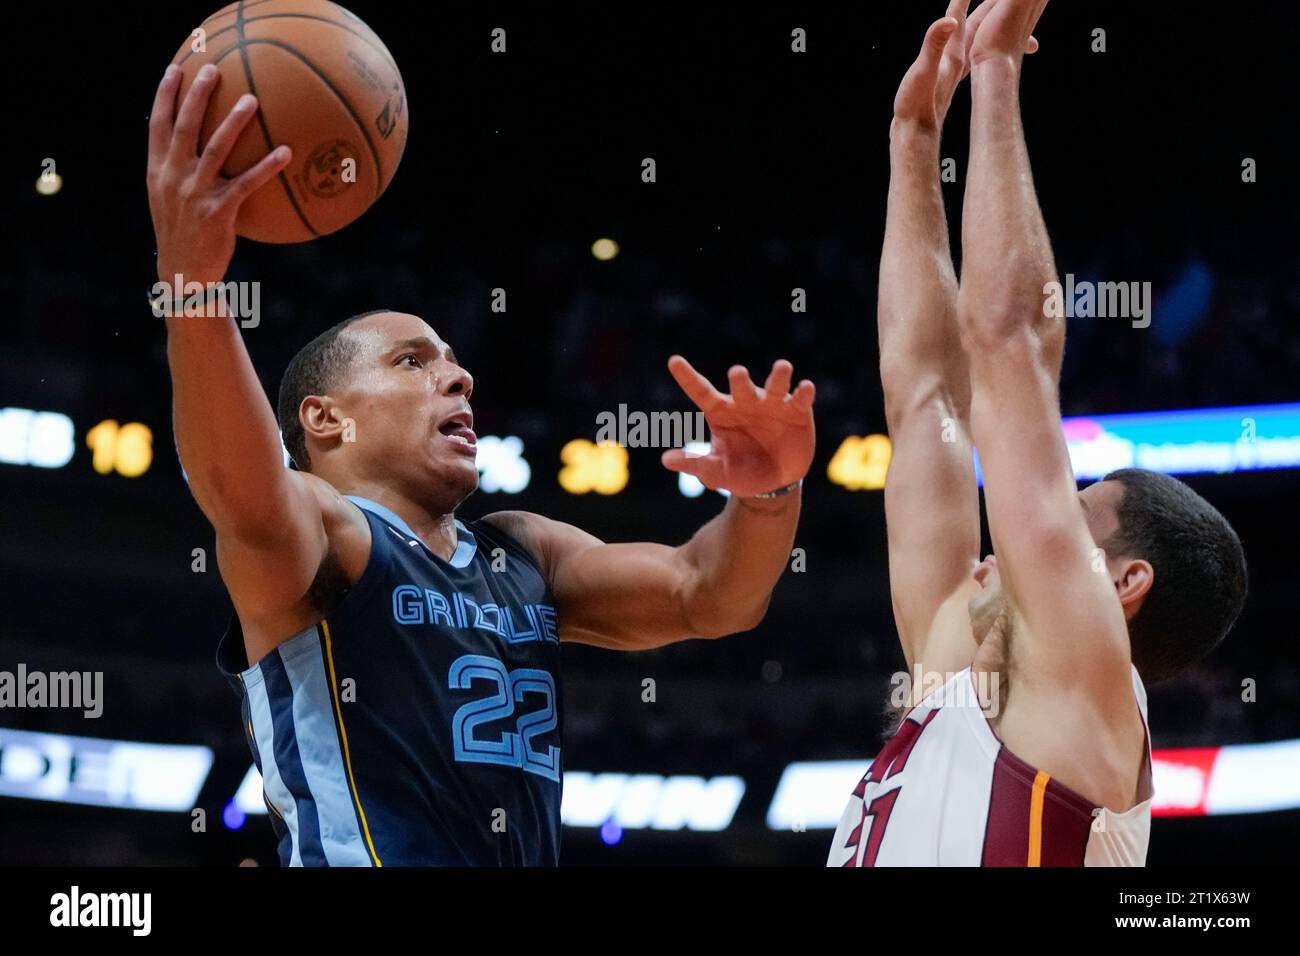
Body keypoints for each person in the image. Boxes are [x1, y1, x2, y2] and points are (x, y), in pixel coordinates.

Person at [147, 62, 816, 865]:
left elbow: (709, 594)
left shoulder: (523, 550)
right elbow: (242, 493)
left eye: (454, 362)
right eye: (412, 362)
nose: (458, 376)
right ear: (325, 421)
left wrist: (769, 493)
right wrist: (193, 285)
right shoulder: (329, 535)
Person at [829, 0, 1247, 867]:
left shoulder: (1087, 688)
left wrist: (999, 72)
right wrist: (912, 141)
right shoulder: (957, 673)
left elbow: (1009, 344)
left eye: (1071, 512)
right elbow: (925, 399)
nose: (1002, 544)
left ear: (1123, 585)